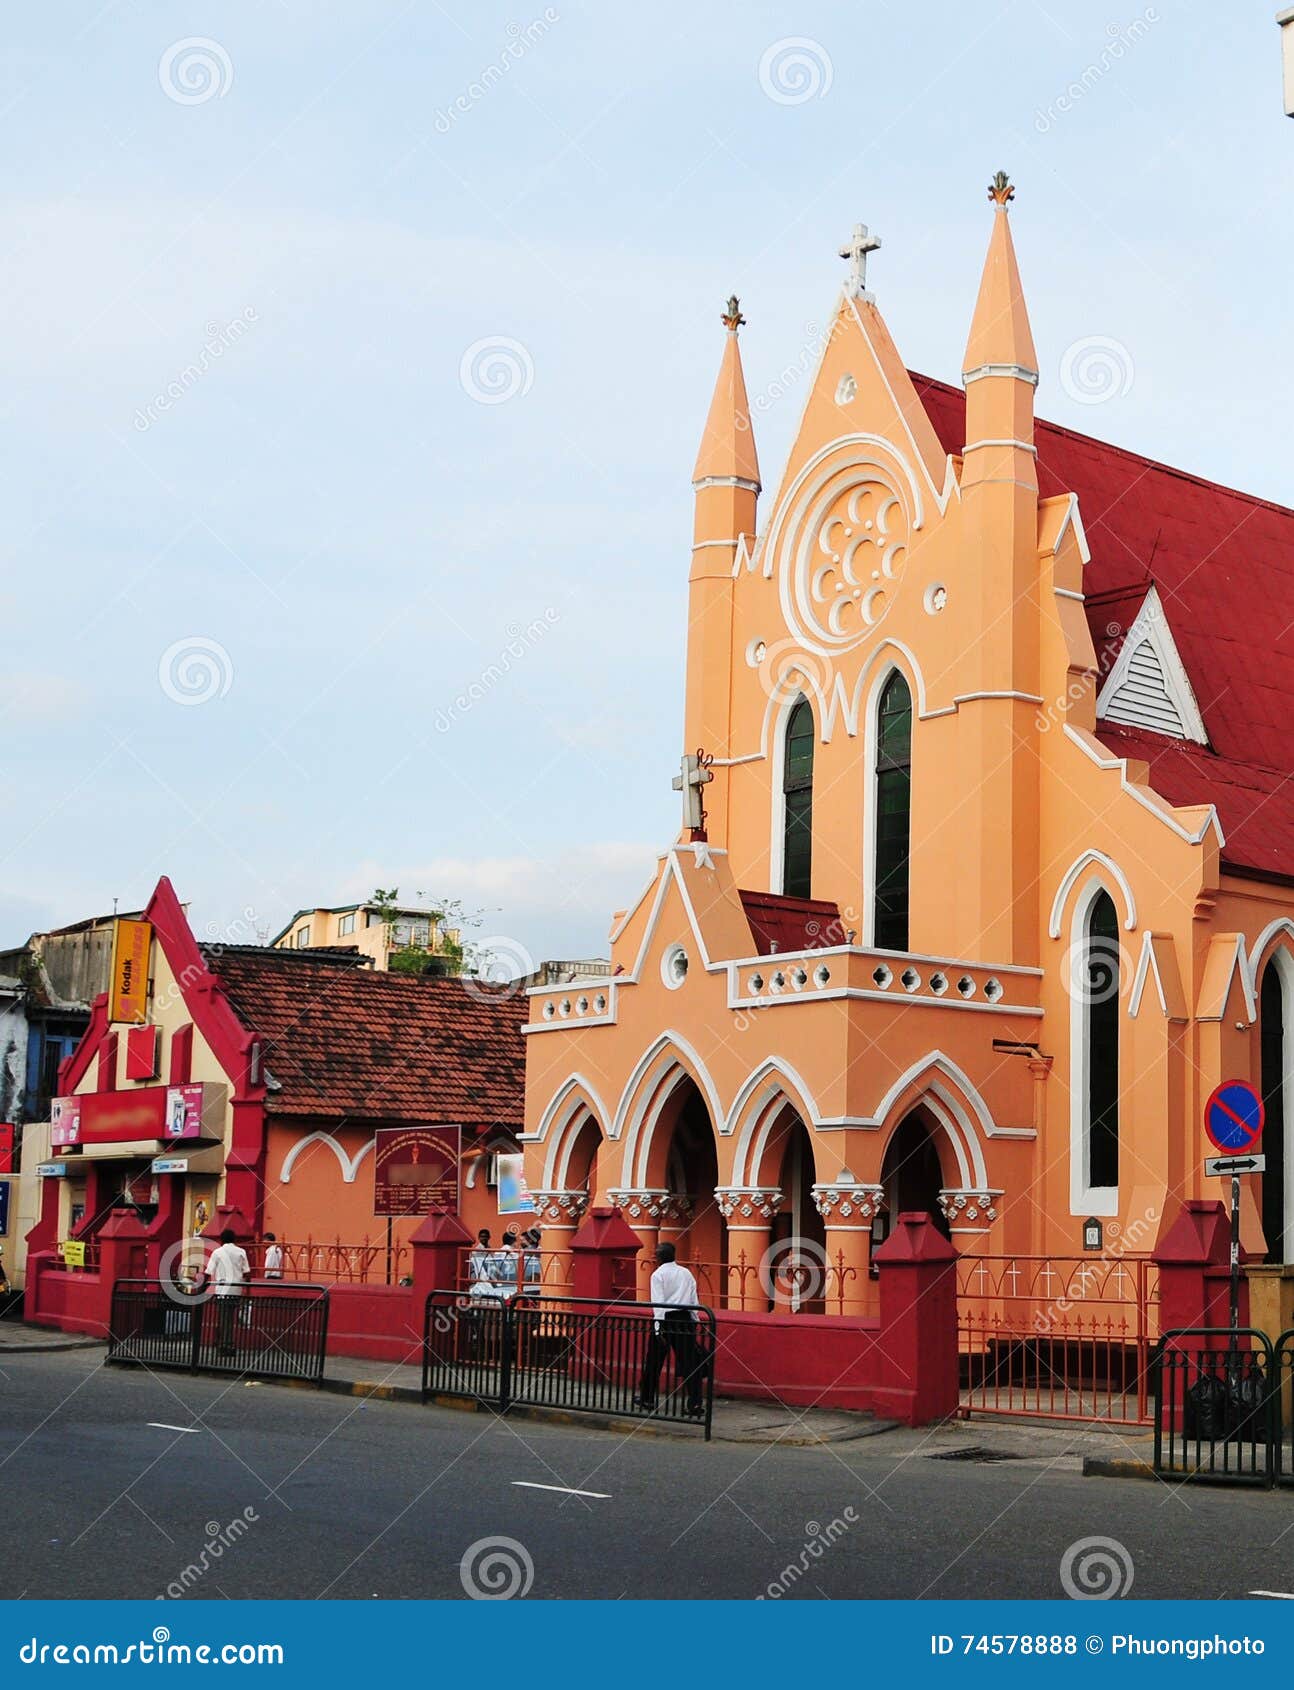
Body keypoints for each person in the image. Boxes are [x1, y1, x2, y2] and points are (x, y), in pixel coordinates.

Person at [637, 1242, 705, 1418]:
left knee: (654, 1361)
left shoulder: (657, 1275)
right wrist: (694, 1321)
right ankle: (695, 1403)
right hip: (684, 1319)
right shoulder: (686, 1273)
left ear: (659, 1257)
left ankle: (647, 1399)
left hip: (666, 1319)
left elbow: (658, 1305)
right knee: (689, 1362)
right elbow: (693, 1300)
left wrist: (659, 1330)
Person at [206, 1228, 250, 1356]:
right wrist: (247, 1289)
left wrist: (202, 1286)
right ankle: (228, 1343)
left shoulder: (217, 1252)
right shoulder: (241, 1251)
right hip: (236, 1290)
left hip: (222, 1291)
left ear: (222, 1239)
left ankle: (225, 1345)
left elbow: (208, 1272)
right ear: (234, 1239)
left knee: (224, 1318)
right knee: (230, 1318)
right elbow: (247, 1272)